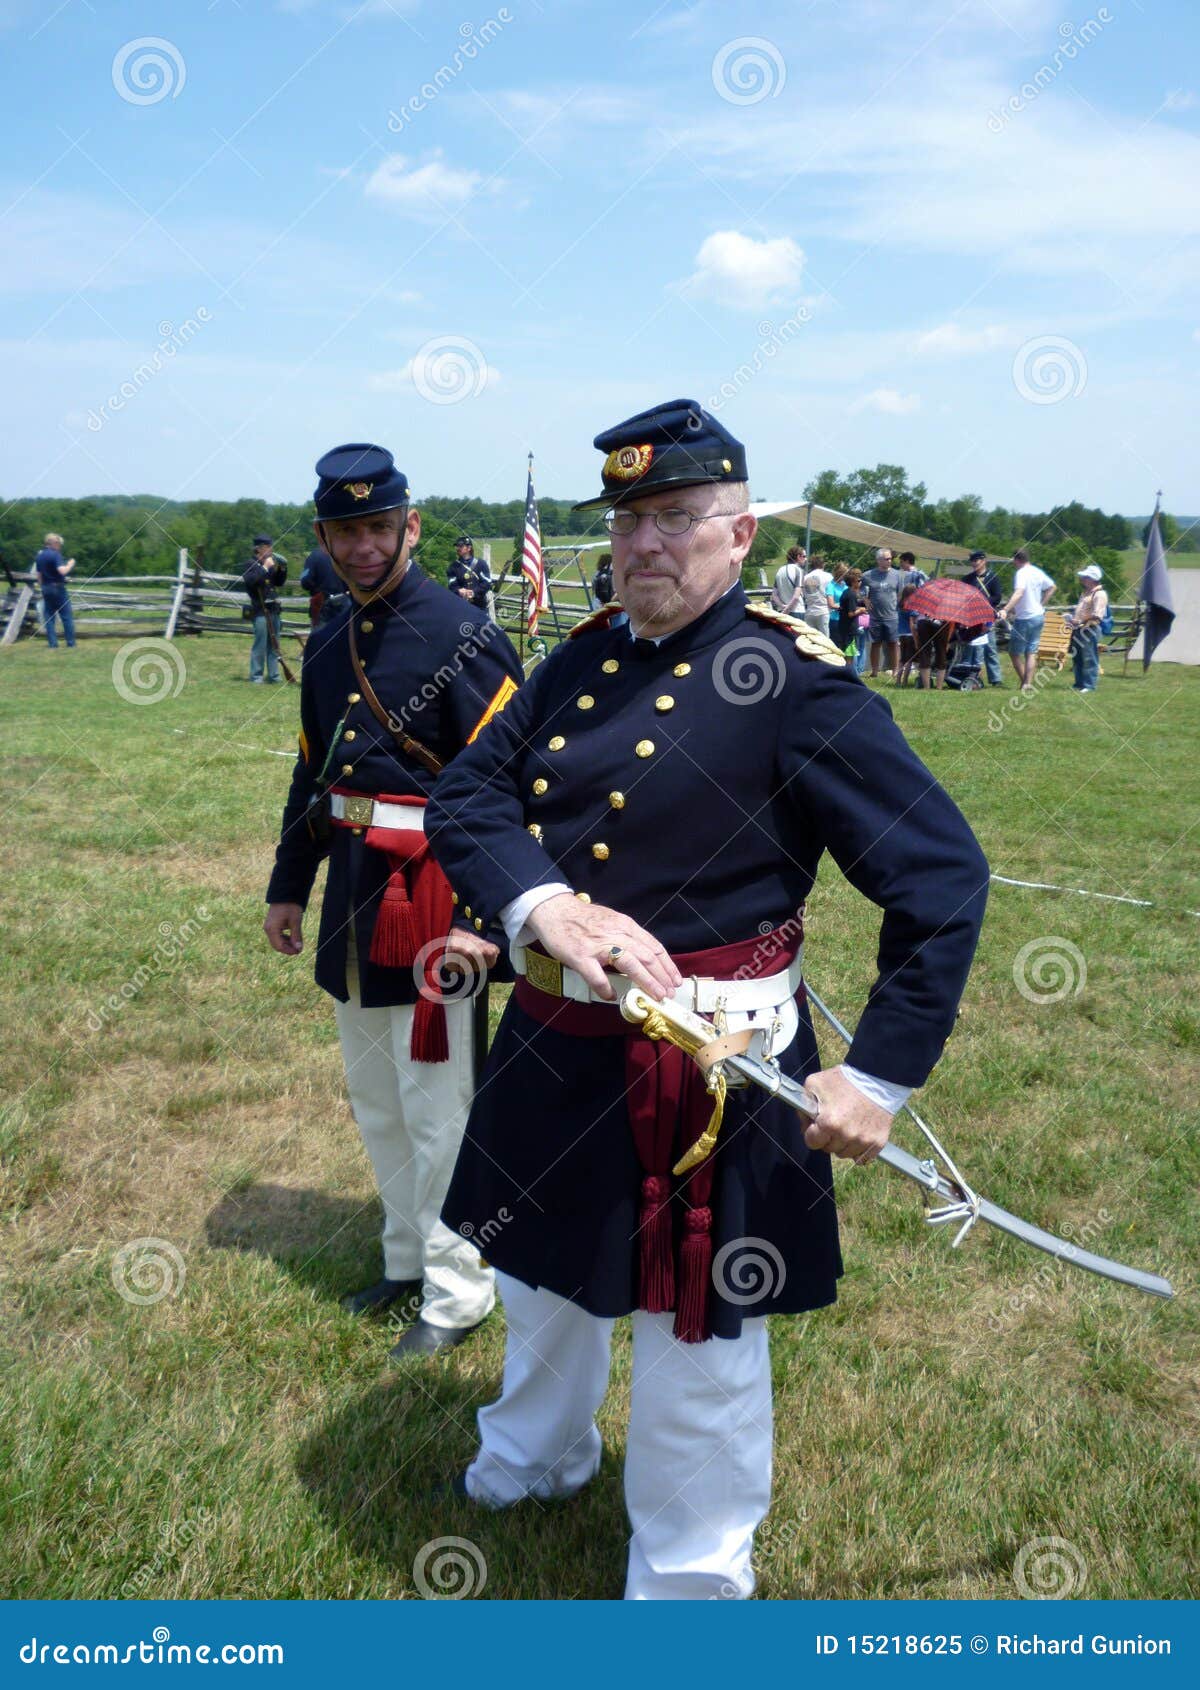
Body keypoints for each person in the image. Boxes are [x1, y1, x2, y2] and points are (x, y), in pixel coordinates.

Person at [425, 398, 989, 1599]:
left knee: (701, 1349)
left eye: (679, 517)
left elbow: (939, 875)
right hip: (554, 1035)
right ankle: (537, 1454)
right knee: (538, 1279)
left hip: (707, 1069)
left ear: (740, 535)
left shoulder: (796, 681)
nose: (647, 543)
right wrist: (544, 909)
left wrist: (878, 1073)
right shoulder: (578, 658)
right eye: (630, 519)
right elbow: (468, 800)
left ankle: (687, 1582)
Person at [263, 443, 524, 1360]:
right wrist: (288, 886)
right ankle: (407, 1259)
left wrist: (485, 920)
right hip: (350, 893)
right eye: (346, 530)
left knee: (439, 1102)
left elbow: (514, 790)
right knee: (377, 1097)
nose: (364, 545)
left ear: (411, 526)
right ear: (325, 536)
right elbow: (314, 770)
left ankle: (460, 1292)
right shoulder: (329, 636)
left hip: (435, 898)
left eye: (381, 526)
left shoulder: (467, 635)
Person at [1001, 548, 1055, 692]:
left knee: (1014, 652)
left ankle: (1024, 681)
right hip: (1038, 616)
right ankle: (1027, 683)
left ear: (1016, 560)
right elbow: (1052, 587)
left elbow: (1019, 592)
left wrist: (1005, 609)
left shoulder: (1021, 573)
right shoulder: (1037, 571)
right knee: (1031, 652)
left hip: (1024, 618)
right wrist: (1041, 604)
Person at [242, 534, 287, 683]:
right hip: (260, 610)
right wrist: (265, 568)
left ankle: (274, 676)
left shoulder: (270, 563)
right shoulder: (251, 564)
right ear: (259, 549)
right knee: (260, 644)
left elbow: (279, 582)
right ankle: (256, 676)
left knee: (274, 644)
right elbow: (251, 582)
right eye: (267, 547)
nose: (270, 550)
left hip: (273, 608)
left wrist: (282, 568)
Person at [963, 549, 1004, 686]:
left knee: (990, 648)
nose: (974, 563)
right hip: (973, 617)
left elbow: (997, 596)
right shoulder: (968, 579)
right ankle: (969, 675)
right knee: (972, 647)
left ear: (983, 561)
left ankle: (995, 679)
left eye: (977, 561)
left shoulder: (993, 577)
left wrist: (983, 603)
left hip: (987, 617)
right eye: (973, 561)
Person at [1065, 563, 1108, 693]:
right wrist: (1073, 620)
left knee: (1089, 657)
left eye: (1085, 577)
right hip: (1079, 629)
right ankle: (1079, 683)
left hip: (1089, 629)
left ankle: (1089, 685)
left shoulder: (1099, 594)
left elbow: (1097, 615)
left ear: (1092, 579)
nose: (1082, 579)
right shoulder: (1086, 593)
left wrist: (1079, 621)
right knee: (1077, 657)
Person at [34, 532, 76, 649]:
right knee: (66, 616)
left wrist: (42, 587)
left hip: (46, 587)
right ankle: (70, 643)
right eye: (59, 543)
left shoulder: (40, 556)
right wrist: (70, 564)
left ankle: (53, 644)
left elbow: (39, 575)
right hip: (58, 587)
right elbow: (62, 571)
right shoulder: (55, 555)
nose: (60, 546)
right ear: (54, 543)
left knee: (49, 617)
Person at [863, 548, 901, 678]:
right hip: (875, 615)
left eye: (890, 558)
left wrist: (899, 605)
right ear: (878, 560)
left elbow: (900, 593)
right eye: (886, 559)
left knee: (893, 643)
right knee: (875, 643)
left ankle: (895, 670)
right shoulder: (868, 575)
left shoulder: (897, 574)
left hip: (892, 615)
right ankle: (874, 671)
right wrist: (865, 600)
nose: (889, 561)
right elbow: (861, 590)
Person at [300, 545, 346, 626]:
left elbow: (305, 581)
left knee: (320, 636)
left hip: (321, 604)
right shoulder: (346, 553)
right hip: (344, 603)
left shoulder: (315, 555)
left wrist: (316, 589)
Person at [448, 534, 494, 616]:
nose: (458, 548)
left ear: (469, 548)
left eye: (461, 546)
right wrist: (459, 590)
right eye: (457, 546)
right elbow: (452, 585)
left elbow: (487, 582)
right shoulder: (453, 566)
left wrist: (474, 592)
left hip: (479, 606)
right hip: (461, 606)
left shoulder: (480, 564)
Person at [800, 553, 833, 637]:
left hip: (809, 611)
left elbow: (803, 593)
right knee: (825, 641)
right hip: (823, 611)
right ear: (823, 564)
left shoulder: (805, 577)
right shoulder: (828, 576)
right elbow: (831, 594)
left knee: (810, 639)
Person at [770, 544, 806, 614]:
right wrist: (787, 609)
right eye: (804, 556)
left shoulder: (780, 570)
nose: (806, 559)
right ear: (798, 557)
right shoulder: (798, 570)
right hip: (797, 610)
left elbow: (774, 595)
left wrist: (782, 606)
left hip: (781, 610)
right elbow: (796, 596)